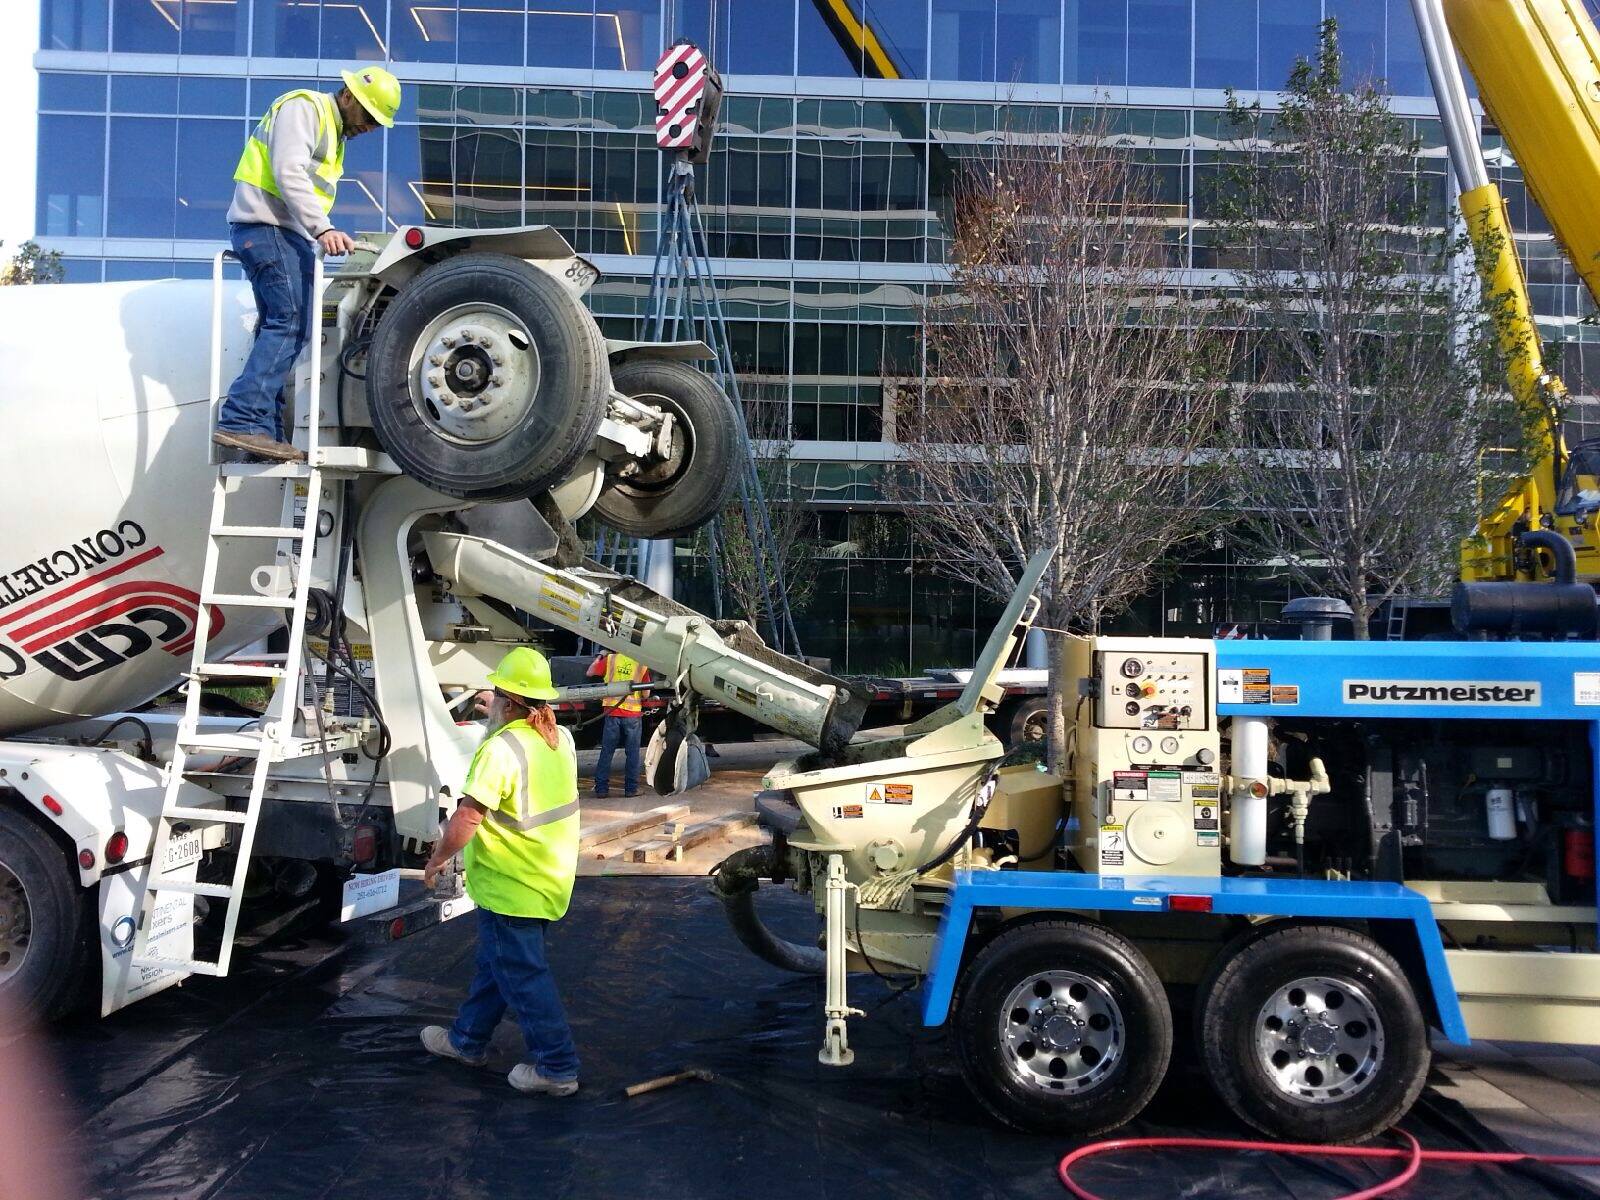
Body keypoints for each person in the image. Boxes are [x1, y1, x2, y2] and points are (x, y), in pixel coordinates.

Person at [214, 66, 401, 463]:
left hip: (282, 233)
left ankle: (262, 432)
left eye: (377, 123)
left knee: (283, 325)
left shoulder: (333, 134)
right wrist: (323, 228)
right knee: (293, 321)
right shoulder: (305, 109)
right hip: (267, 228)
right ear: (348, 96)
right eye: (369, 116)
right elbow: (288, 171)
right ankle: (241, 419)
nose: (370, 127)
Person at [419, 647, 583, 1096]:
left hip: (511, 884)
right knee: (497, 965)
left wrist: (437, 858)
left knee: (524, 977)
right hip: (546, 877)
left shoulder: (500, 749)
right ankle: (466, 1040)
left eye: (497, 695)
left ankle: (558, 1067)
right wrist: (502, 708)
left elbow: (467, 818)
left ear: (509, 703)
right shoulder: (560, 739)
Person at [587, 650, 651, 798]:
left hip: (612, 712)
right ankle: (631, 789)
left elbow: (590, 672)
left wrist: (600, 656)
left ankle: (601, 789)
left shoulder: (611, 659)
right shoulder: (641, 663)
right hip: (632, 715)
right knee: (632, 753)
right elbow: (646, 693)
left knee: (607, 752)